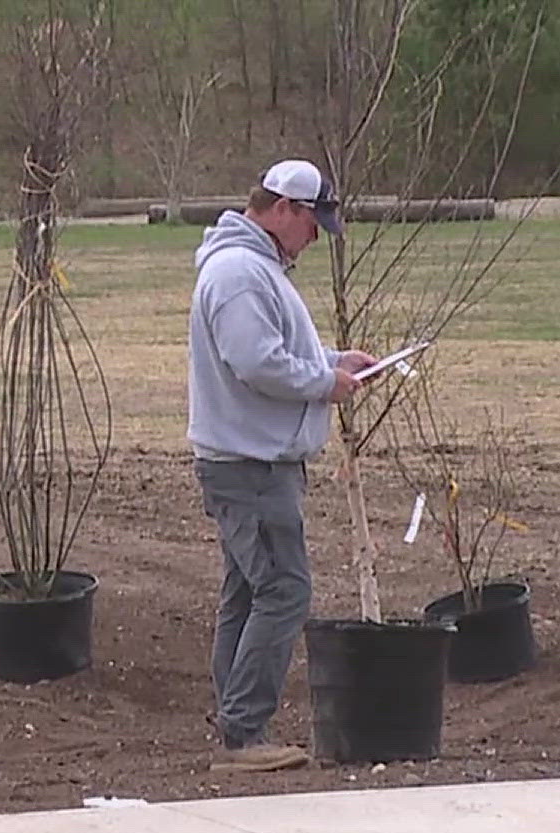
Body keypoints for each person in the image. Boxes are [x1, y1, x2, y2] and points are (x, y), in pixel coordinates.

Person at [185, 159, 378, 773]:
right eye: (313, 221)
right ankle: (244, 733)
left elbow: (275, 349)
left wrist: (333, 359)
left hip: (249, 460)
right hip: (251, 465)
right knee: (283, 590)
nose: (317, 236)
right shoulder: (241, 272)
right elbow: (258, 363)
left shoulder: (253, 268)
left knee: (247, 593)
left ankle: (238, 720)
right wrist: (325, 382)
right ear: (284, 210)